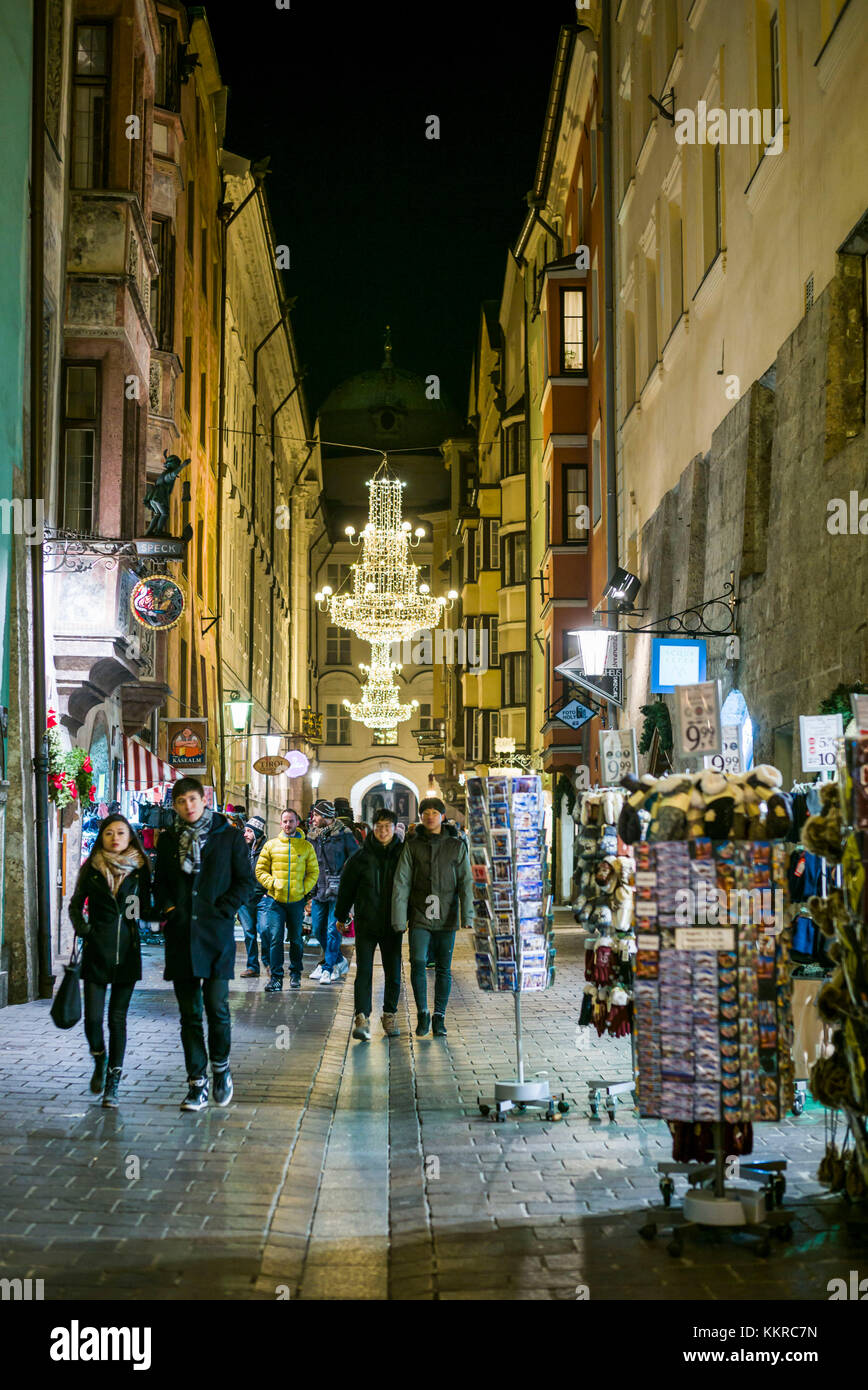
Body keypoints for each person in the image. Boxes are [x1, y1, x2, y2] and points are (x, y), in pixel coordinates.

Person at [153, 776, 255, 1111]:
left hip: (215, 934)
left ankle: (221, 1070)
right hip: (182, 935)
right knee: (189, 1014)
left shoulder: (227, 836)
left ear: (204, 799)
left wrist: (224, 909)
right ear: (176, 805)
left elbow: (246, 881)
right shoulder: (168, 841)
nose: (188, 806)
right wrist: (170, 909)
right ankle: (196, 1083)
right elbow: (161, 883)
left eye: (193, 800)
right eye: (181, 802)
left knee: (217, 1008)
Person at [68, 814, 152, 1108]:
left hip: (127, 955)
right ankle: (99, 1059)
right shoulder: (91, 869)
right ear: (101, 837)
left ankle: (113, 1082)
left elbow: (141, 910)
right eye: (109, 833)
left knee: (116, 1020)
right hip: (96, 954)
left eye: (121, 833)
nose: (115, 838)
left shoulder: (140, 872)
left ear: (130, 838)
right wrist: (86, 930)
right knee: (92, 1019)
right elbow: (75, 906)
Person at [391, 796, 473, 1038]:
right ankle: (423, 1013)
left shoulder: (456, 845)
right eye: (425, 812)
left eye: (434, 812)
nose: (429, 816)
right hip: (419, 914)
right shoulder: (412, 845)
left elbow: (466, 881)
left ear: (442, 816)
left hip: (447, 914)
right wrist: (398, 917)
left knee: (443, 968)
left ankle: (440, 1016)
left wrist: (467, 913)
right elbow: (402, 882)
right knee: (417, 961)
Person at [334, 808, 405, 1042]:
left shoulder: (403, 855)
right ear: (373, 828)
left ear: (395, 828)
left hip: (393, 924)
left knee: (394, 971)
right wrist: (341, 916)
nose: (383, 831)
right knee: (363, 971)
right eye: (379, 826)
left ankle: (390, 1013)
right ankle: (362, 1017)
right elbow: (347, 889)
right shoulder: (360, 857)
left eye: (387, 826)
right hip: (366, 921)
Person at [255, 807, 318, 991]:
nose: (288, 824)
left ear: (297, 823)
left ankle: (296, 973)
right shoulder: (271, 845)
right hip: (276, 900)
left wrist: (303, 889)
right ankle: (276, 978)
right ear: (281, 824)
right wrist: (272, 883)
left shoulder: (306, 847)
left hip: (297, 901)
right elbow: (260, 870)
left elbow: (313, 872)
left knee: (297, 939)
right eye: (285, 821)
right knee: (275, 938)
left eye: (291, 821)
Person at [307, 799, 360, 983]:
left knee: (332, 929)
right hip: (319, 888)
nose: (313, 818)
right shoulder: (312, 836)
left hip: (338, 890)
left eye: (316, 814)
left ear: (327, 817)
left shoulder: (344, 834)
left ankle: (328, 968)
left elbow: (356, 858)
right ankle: (338, 959)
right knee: (317, 928)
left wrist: (346, 877)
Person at [238, 815, 267, 978]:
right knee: (249, 933)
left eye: (249, 831)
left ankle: (268, 963)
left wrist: (267, 893)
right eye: (245, 830)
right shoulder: (241, 849)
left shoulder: (267, 849)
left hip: (263, 897)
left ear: (257, 832)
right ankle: (252, 967)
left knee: (265, 931)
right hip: (244, 899)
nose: (245, 834)